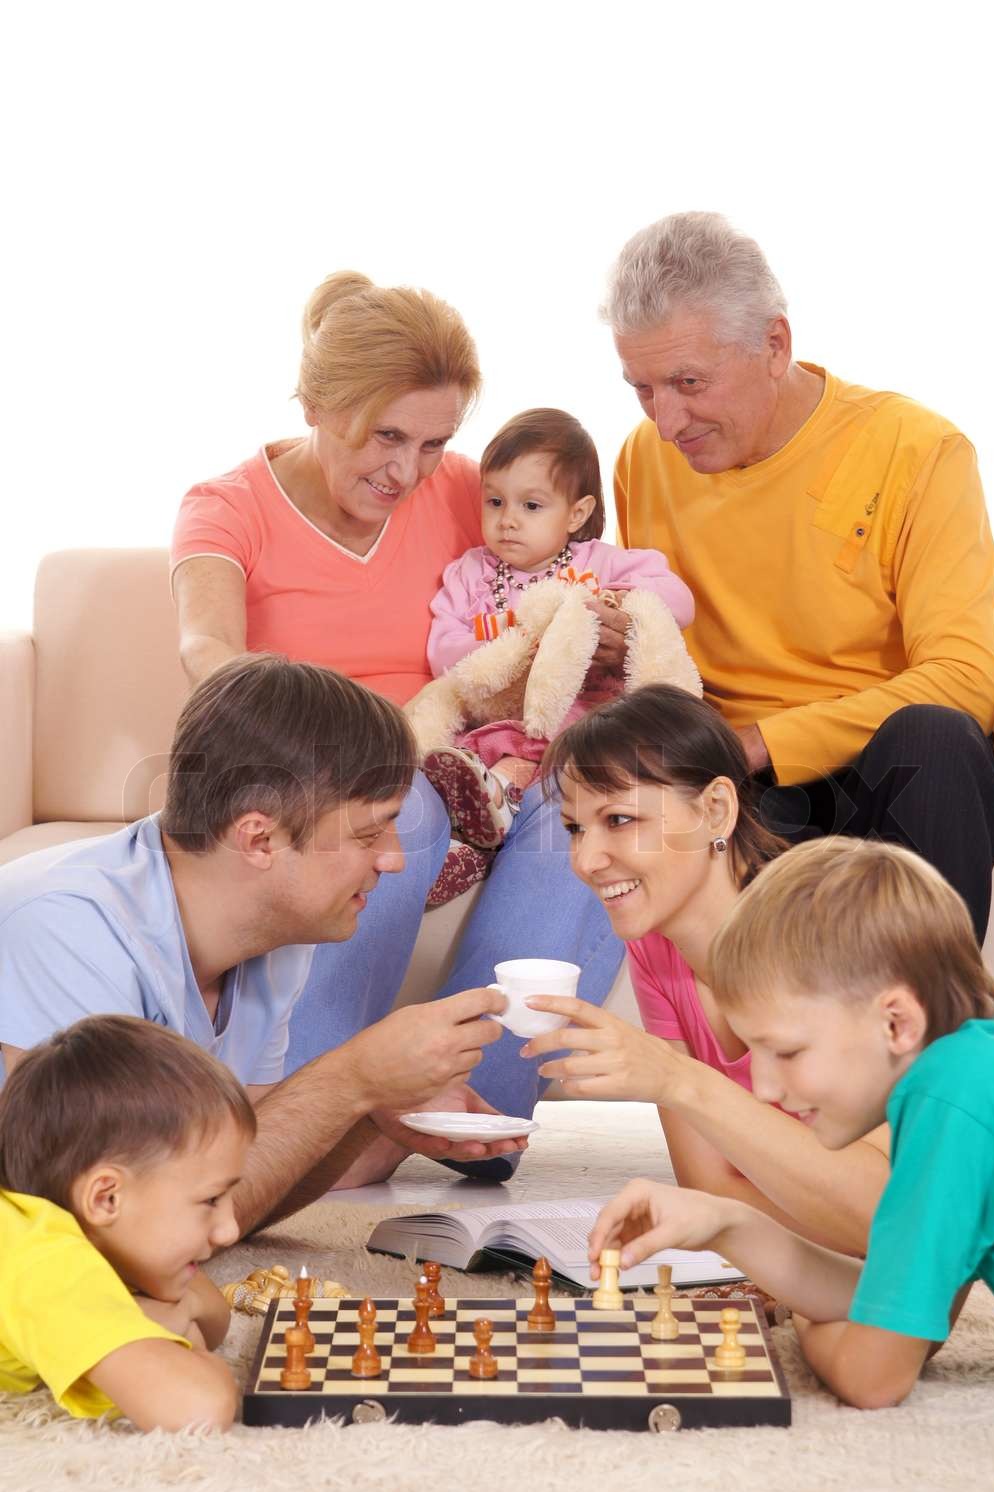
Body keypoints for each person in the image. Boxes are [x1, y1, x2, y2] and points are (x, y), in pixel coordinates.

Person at [170, 272, 625, 1169]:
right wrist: (337, 729)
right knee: (400, 799)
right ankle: (312, 1134)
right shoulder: (227, 508)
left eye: (431, 443)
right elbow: (205, 649)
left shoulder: (457, 490)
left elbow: (557, 566)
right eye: (386, 435)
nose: (406, 471)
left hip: (473, 764)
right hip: (315, 767)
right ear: (315, 401)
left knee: (599, 799)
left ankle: (474, 1121)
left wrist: (597, 632)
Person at [0, 654, 515, 1227]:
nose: (394, 860)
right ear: (260, 839)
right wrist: (353, 1075)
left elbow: (241, 1182)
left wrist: (373, 1108)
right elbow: (122, 1222)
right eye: (369, 833)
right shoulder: (68, 928)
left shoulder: (276, 933)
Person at [604, 212, 994, 942]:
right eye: (642, 388)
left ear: (773, 345)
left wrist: (762, 741)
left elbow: (964, 679)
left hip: (875, 768)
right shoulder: (641, 458)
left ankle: (940, 1040)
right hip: (736, 787)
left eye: (688, 382)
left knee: (937, 737)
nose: (666, 420)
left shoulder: (917, 450)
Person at [587, 837, 994, 1409]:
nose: (763, 1088)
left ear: (896, 1023)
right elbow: (896, 1306)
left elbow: (875, 1375)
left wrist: (810, 1333)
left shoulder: (954, 1108)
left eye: (785, 1052)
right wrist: (727, 1224)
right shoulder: (989, 1053)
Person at [519, 685, 890, 1257]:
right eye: (575, 828)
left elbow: (893, 1220)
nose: (586, 860)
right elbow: (711, 1185)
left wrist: (674, 1077)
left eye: (619, 819)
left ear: (715, 809)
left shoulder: (823, 939)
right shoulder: (657, 945)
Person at [418, 407, 695, 903]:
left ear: (576, 513)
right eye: (496, 501)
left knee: (567, 735)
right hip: (499, 706)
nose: (507, 521)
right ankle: (470, 843)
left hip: (579, 708)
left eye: (532, 506)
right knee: (460, 749)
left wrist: (618, 613)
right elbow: (444, 650)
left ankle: (497, 796)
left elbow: (676, 600)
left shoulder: (598, 562)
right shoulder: (471, 573)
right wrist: (516, 650)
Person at [0, 1014, 252, 1431]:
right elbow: (196, 1409)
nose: (230, 1230)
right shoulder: (45, 1265)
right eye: (210, 1200)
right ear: (106, 1198)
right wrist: (182, 1342)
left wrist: (164, 1310)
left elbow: (211, 1308)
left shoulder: (77, 1230)